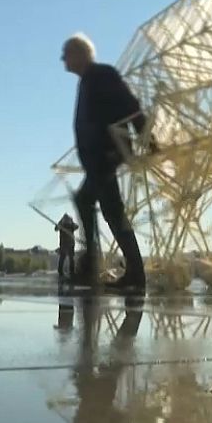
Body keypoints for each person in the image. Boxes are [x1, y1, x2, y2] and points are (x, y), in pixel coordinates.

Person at [62, 33, 154, 290]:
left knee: (102, 207)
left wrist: (149, 139)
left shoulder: (102, 74)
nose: (62, 60)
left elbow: (131, 105)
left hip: (106, 156)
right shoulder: (88, 80)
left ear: (79, 54)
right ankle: (114, 267)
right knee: (103, 207)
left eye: (66, 54)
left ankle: (105, 267)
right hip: (98, 159)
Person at [56, 213, 79, 280]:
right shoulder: (61, 225)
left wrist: (71, 223)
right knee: (62, 257)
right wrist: (60, 224)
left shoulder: (71, 226)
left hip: (71, 244)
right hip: (63, 244)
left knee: (71, 258)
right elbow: (56, 228)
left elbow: (77, 226)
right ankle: (60, 272)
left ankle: (72, 272)